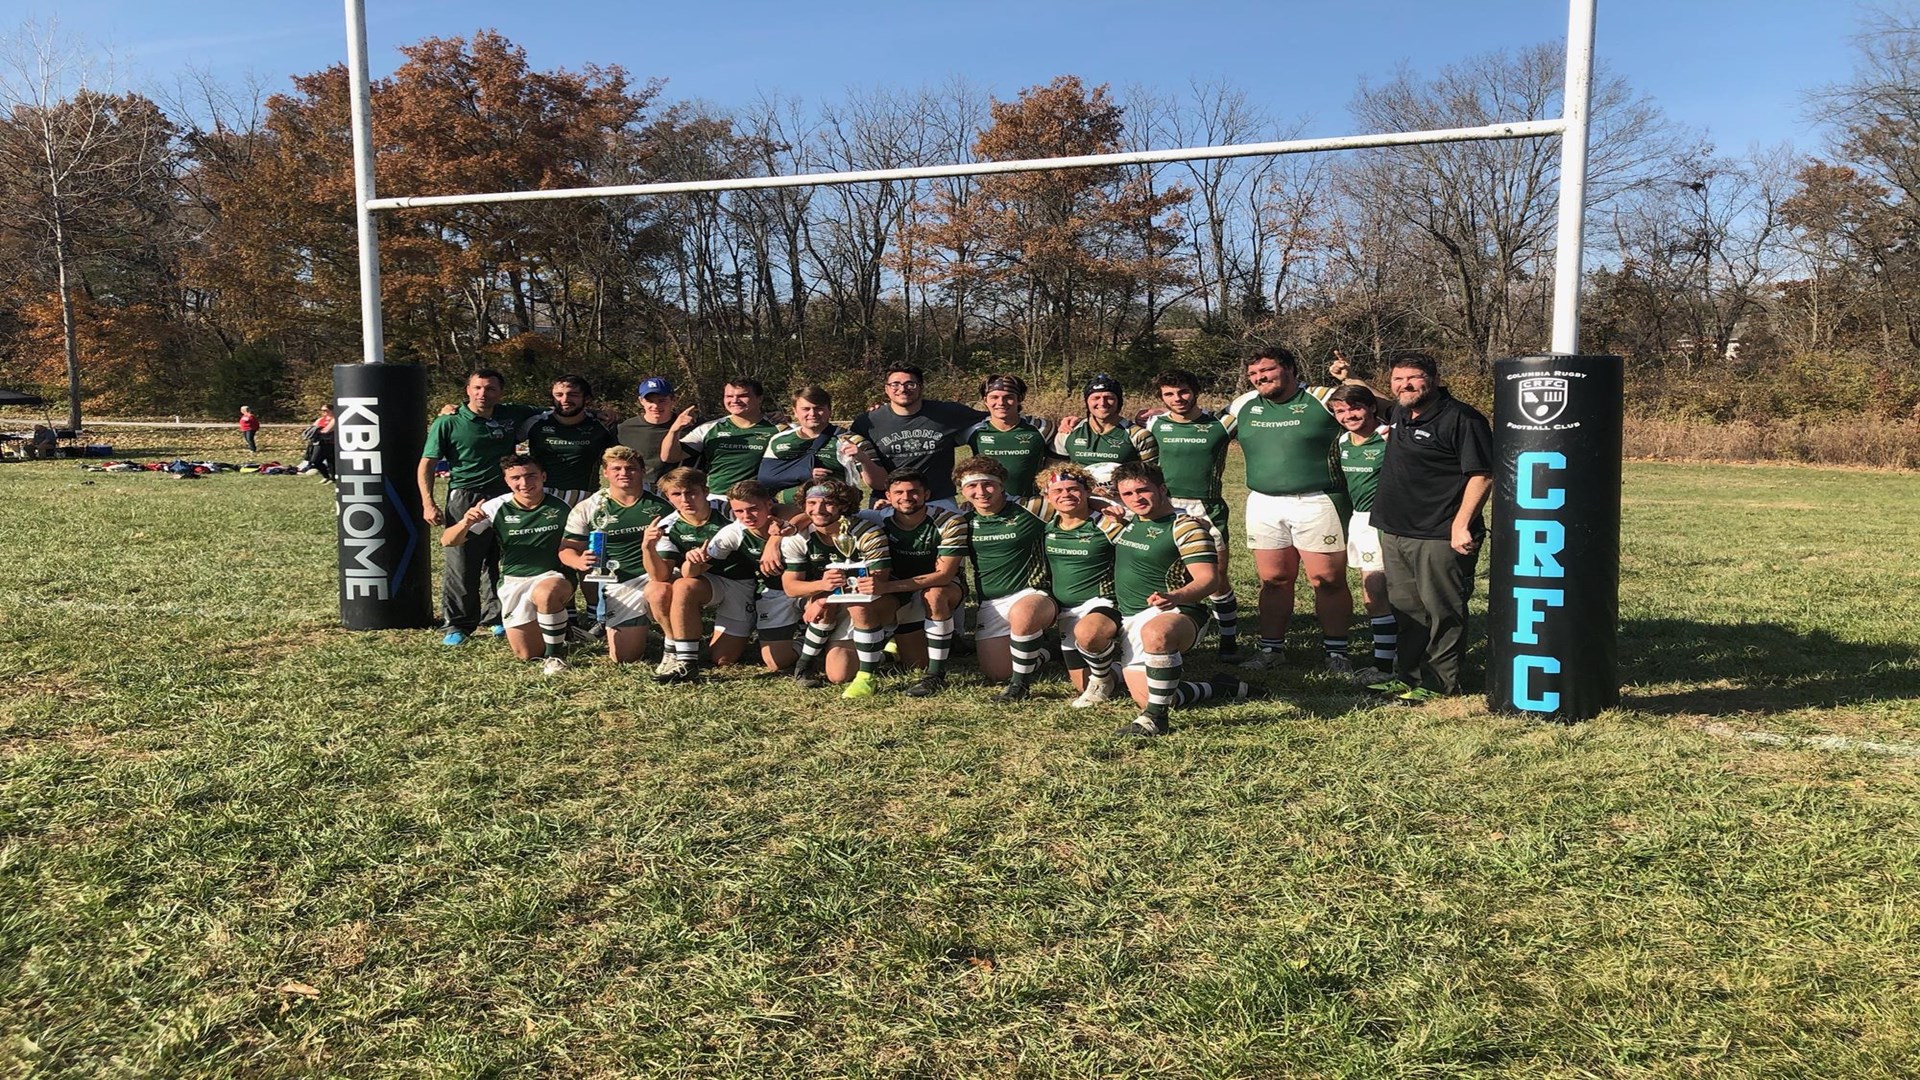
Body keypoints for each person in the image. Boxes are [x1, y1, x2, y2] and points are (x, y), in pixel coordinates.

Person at [1366, 352, 1493, 704]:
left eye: (1413, 377)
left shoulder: (1462, 418)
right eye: (1397, 379)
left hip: (1439, 533)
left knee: (1442, 610)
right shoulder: (1400, 411)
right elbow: (1372, 398)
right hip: (1395, 530)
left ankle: (1441, 682)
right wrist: (1348, 378)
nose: (1404, 385)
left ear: (1434, 379)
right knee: (1407, 610)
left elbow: (1481, 475)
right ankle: (1408, 676)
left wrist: (1461, 525)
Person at [1225, 347, 1352, 671]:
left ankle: (1337, 653)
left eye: (1266, 371)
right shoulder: (1244, 404)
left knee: (1326, 580)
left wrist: (1350, 379)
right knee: (1274, 579)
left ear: (1291, 369)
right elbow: (1206, 429)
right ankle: (1271, 650)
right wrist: (1159, 419)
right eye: (1253, 374)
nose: (1259, 378)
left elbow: (1378, 408)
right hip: (1263, 502)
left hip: (1318, 500)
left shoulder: (1322, 397)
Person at [1107, 462, 1253, 737]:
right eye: (1127, 494)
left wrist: (1174, 596)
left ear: (1162, 489)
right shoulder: (1125, 523)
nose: (1136, 498)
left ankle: (1155, 720)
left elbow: (1209, 580)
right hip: (1130, 618)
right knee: (1156, 694)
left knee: (1157, 634)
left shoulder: (1185, 527)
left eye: (1143, 490)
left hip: (1176, 613)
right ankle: (1219, 687)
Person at [418, 370, 545, 645]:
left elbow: (556, 410)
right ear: (467, 389)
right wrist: (428, 502)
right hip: (466, 494)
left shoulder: (511, 414)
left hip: (505, 494)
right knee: (463, 561)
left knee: (500, 559)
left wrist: (602, 414)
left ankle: (496, 617)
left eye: (490, 389)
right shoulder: (448, 422)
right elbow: (427, 464)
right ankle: (458, 625)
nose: (482, 394)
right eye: (477, 388)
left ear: (500, 392)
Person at [440, 454, 576, 674]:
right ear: (506, 481)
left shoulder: (565, 500)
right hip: (515, 581)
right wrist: (465, 522)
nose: (524, 483)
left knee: (547, 593)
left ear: (543, 476)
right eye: (516, 478)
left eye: (531, 476)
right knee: (526, 654)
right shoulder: (495, 507)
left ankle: (555, 656)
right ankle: (563, 629)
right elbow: (448, 540)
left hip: (554, 576)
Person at [1144, 369, 1243, 659]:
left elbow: (1254, 412)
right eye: (1169, 394)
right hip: (1166, 505)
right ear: (1161, 398)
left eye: (1184, 391)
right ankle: (1167, 628)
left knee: (1216, 576)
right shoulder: (1153, 423)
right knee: (1164, 571)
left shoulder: (1221, 423)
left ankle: (1228, 639)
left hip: (1206, 506)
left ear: (1196, 391)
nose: (1178, 399)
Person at [852, 470, 969, 697]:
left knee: (934, 596)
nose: (906, 497)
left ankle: (935, 676)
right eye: (899, 492)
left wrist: (885, 587)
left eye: (914, 491)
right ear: (888, 495)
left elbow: (944, 576)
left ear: (926, 493)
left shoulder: (949, 521)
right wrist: (783, 533)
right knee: (861, 606)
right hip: (900, 592)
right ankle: (868, 675)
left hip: (939, 588)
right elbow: (826, 512)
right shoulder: (876, 518)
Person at [948, 455, 1055, 702]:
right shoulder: (961, 521)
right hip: (991, 602)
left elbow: (1071, 501)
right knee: (996, 673)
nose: (981, 491)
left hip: (1033, 593)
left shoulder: (1031, 509)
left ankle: (1020, 687)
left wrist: (1102, 504)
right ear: (962, 491)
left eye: (988, 484)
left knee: (1024, 615)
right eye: (971, 486)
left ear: (1001, 485)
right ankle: (1045, 651)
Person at [781, 479, 895, 698]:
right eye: (811, 503)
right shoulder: (799, 536)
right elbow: (790, 587)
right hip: (825, 601)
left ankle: (874, 662)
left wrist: (824, 597)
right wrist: (823, 587)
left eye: (828, 503)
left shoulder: (867, 532)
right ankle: (804, 666)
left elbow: (877, 584)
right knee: (838, 673)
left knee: (839, 675)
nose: (818, 510)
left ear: (843, 505)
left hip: (866, 602)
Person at [1026, 464, 1126, 708]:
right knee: (1081, 685)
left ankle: (1116, 651)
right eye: (1057, 491)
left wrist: (1104, 505)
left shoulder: (1107, 523)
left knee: (1090, 635)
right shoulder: (1046, 523)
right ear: (1047, 496)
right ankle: (1118, 661)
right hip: (1065, 611)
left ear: (1087, 491)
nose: (1066, 495)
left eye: (1073, 489)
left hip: (1102, 602)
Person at [560, 447, 672, 665]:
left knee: (661, 592)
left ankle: (676, 646)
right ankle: (641, 625)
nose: (624, 473)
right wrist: (578, 561)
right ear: (605, 473)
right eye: (616, 468)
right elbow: (567, 549)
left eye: (631, 468)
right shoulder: (589, 507)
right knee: (624, 657)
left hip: (659, 575)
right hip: (620, 582)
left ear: (642, 470)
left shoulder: (662, 502)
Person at [641, 467, 737, 683]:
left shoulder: (728, 509)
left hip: (738, 580)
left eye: (691, 492)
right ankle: (678, 654)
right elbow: (660, 575)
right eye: (676, 494)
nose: (685, 499)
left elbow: (774, 511)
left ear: (705, 491)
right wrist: (647, 547)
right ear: (668, 497)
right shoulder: (667, 524)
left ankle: (685, 650)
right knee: (657, 589)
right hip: (701, 581)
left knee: (724, 658)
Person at [849, 364, 989, 509]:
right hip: (888, 502)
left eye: (910, 384)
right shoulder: (867, 422)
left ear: (921, 387)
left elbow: (995, 417)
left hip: (938, 500)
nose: (902, 389)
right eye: (895, 384)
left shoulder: (947, 413)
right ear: (886, 389)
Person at [1329, 384, 1397, 683]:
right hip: (1359, 521)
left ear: (1371, 407)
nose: (1348, 415)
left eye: (1355, 407)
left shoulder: (1390, 436)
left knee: (1378, 593)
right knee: (1373, 592)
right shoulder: (1342, 442)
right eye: (1340, 411)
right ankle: (1391, 658)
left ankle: (1385, 667)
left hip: (1387, 520)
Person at [701, 481, 803, 671]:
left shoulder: (792, 521)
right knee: (773, 662)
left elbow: (805, 516)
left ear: (768, 504)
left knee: (819, 605)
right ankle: (808, 640)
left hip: (808, 589)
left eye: (753, 509)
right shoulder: (733, 532)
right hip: (773, 593)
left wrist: (774, 542)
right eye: (739, 512)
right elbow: (694, 570)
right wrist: (692, 561)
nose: (746, 516)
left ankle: (822, 634)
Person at [758, 385, 884, 504]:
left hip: (832, 514)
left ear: (829, 410)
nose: (812, 414)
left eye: (818, 408)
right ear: (795, 412)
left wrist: (864, 460)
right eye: (806, 409)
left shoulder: (851, 441)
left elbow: (879, 483)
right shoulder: (779, 440)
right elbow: (766, 478)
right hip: (785, 512)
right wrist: (804, 473)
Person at [662, 377, 782, 495]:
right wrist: (674, 430)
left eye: (742, 396)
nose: (735, 400)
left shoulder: (779, 428)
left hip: (757, 500)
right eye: (729, 396)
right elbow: (669, 457)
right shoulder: (709, 428)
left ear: (759, 398)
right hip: (716, 497)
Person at [522, 374, 619, 508]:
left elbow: (619, 461)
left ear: (587, 398)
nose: (565, 399)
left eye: (573, 394)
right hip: (542, 499)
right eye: (558, 394)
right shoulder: (534, 422)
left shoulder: (603, 425)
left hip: (585, 499)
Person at [1054, 373, 1159, 487]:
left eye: (1109, 398)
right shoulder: (1068, 431)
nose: (1102, 403)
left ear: (1119, 402)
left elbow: (1152, 479)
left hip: (1122, 501)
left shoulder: (1139, 435)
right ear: (1087, 402)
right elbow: (1054, 472)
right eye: (1096, 398)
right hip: (1081, 500)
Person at [962, 373, 1055, 498]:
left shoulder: (1043, 427)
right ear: (985, 400)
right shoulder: (972, 430)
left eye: (1008, 397)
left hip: (1029, 503)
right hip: (987, 503)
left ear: (1020, 398)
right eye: (994, 397)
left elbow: (1058, 460)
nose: (1001, 403)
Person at [616, 376, 681, 486]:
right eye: (650, 401)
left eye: (662, 401)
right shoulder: (625, 429)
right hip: (640, 489)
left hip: (678, 490)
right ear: (641, 401)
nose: (655, 406)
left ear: (673, 400)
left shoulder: (688, 426)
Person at [307, 405, 336, 481]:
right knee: (315, 461)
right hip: (319, 443)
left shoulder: (335, 419)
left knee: (331, 461)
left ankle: (333, 478)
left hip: (330, 443)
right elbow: (311, 429)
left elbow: (327, 430)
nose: (323, 412)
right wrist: (317, 430)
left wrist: (317, 430)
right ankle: (326, 476)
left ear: (331, 410)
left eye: (326, 410)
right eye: (322, 410)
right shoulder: (320, 419)